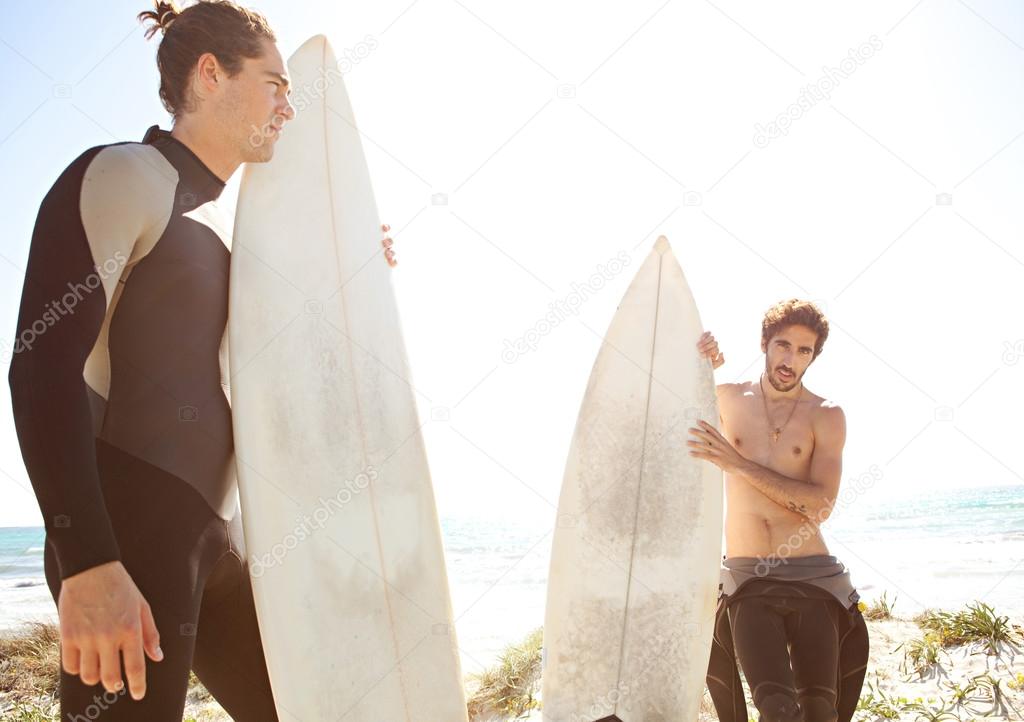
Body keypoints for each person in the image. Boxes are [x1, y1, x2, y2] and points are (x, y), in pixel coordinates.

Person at [4, 1, 333, 718]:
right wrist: (88, 563)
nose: (289, 106)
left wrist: (358, 267)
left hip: (222, 547)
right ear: (211, 74)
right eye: (276, 84)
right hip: (127, 535)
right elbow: (39, 368)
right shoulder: (127, 174)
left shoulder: (231, 227)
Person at [690, 299, 868, 722]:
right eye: (783, 346)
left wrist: (736, 464)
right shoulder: (726, 398)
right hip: (749, 578)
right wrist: (699, 364)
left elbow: (820, 506)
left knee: (819, 713)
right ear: (764, 344)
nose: (791, 360)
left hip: (813, 576)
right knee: (778, 711)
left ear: (814, 357)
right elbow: (667, 405)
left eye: (804, 351)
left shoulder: (826, 416)